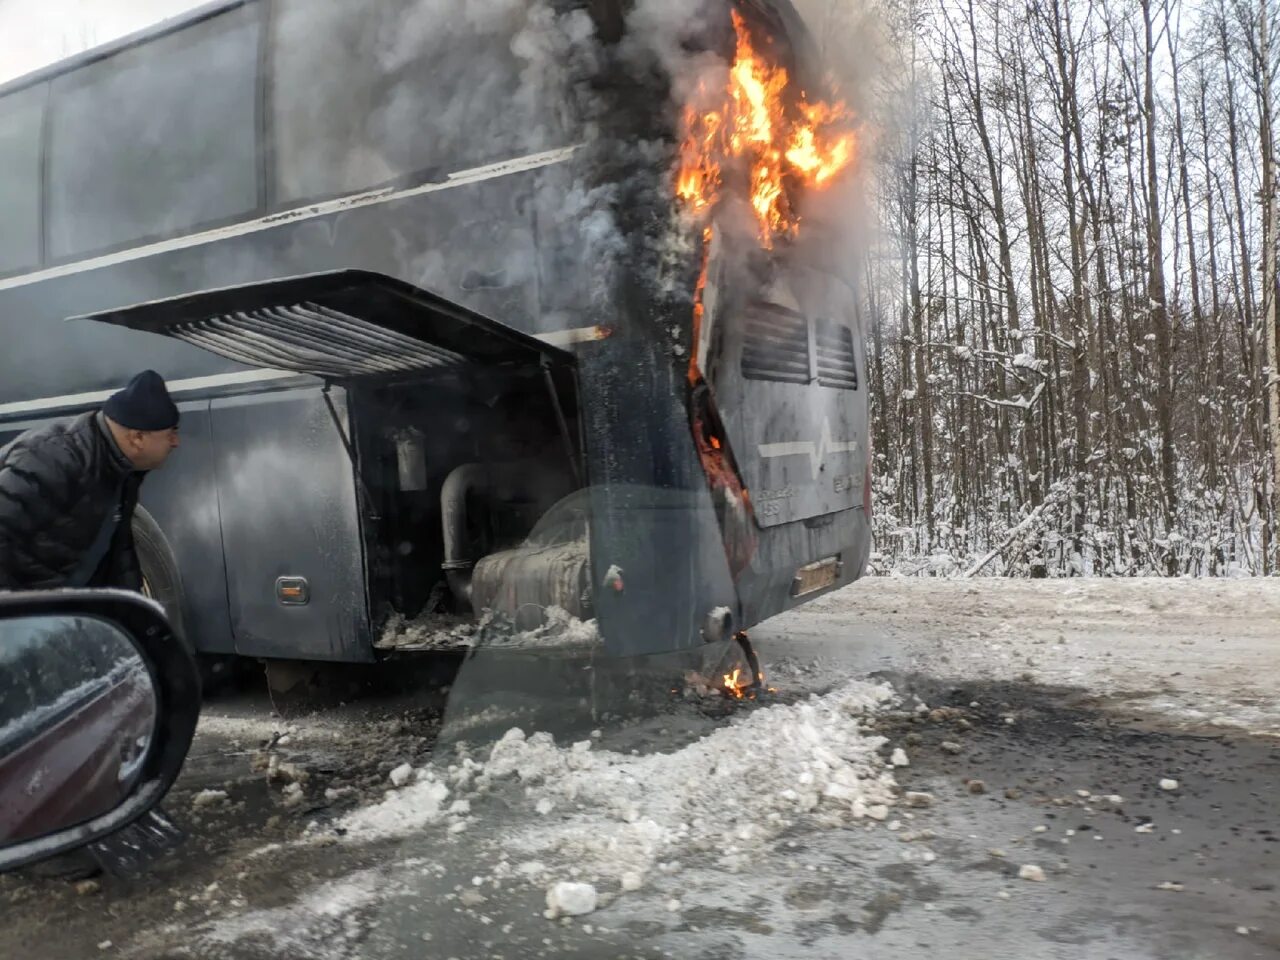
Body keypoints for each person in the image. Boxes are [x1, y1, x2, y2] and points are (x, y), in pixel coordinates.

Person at [0, 370, 181, 592]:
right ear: (137, 438)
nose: (176, 442)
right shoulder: (54, 457)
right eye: (171, 433)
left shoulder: (122, 469)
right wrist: (21, 615)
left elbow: (118, 560)